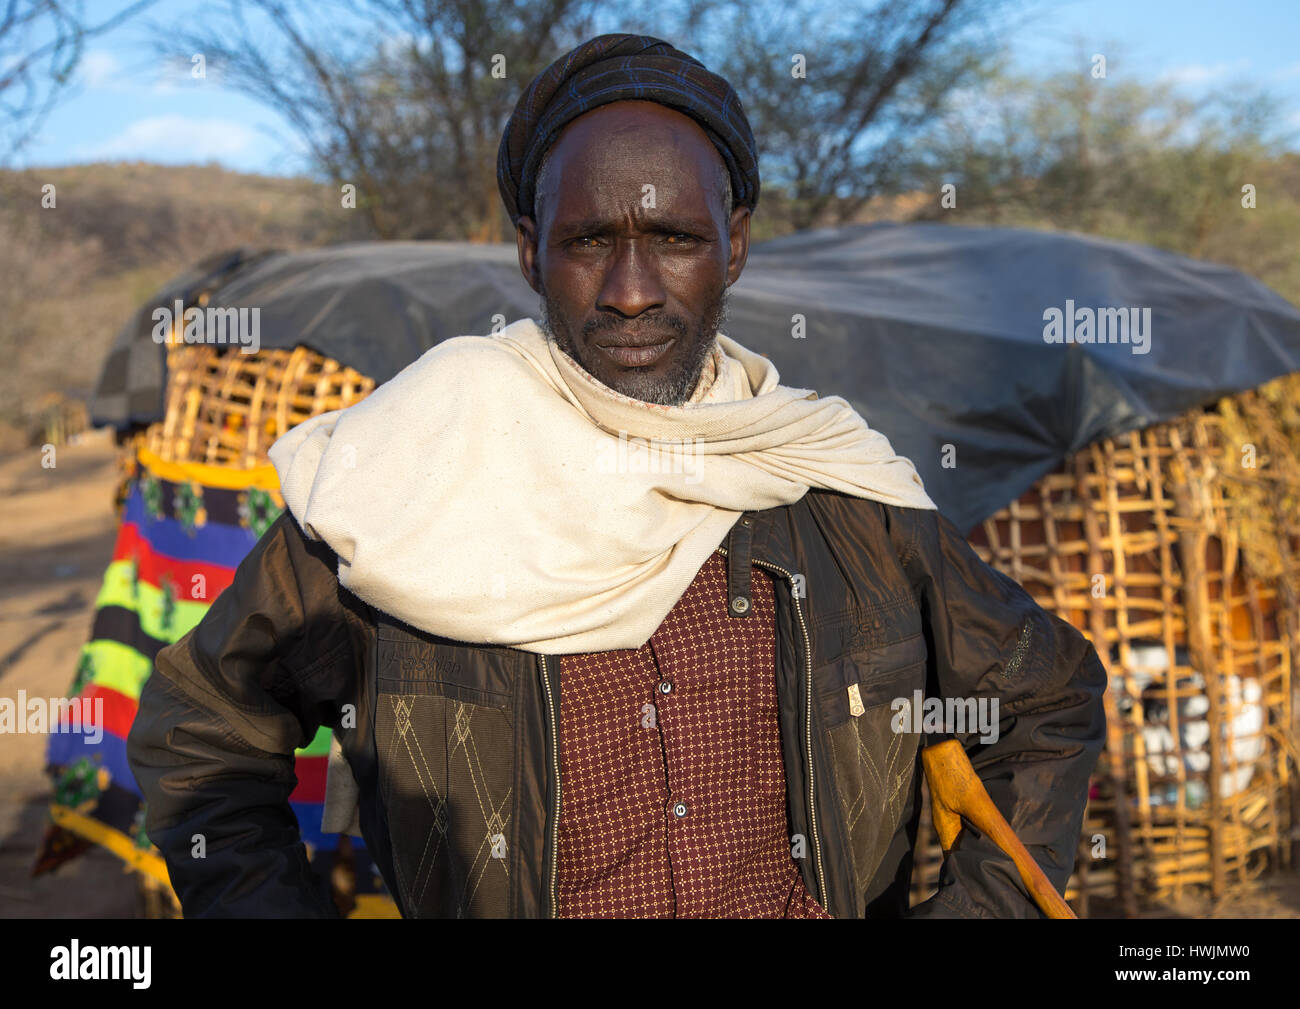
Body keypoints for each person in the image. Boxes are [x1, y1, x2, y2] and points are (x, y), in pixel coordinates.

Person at [127, 32, 1106, 918]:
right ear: (528, 251)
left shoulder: (832, 488)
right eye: (589, 241)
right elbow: (201, 722)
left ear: (734, 243)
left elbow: (1043, 696)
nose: (632, 292)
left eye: (673, 239)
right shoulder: (410, 472)